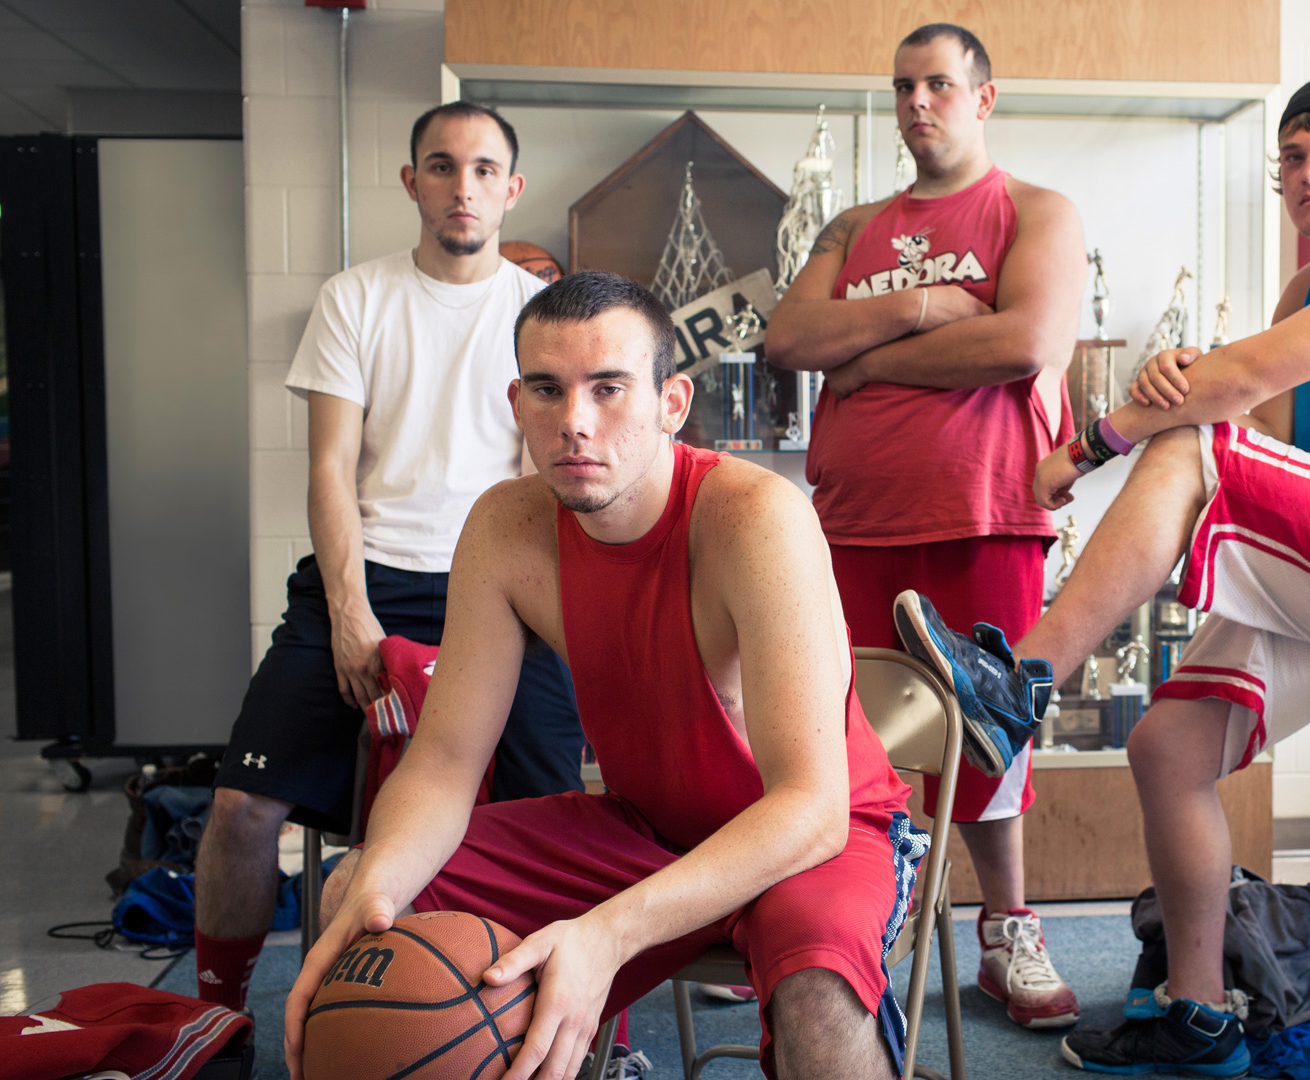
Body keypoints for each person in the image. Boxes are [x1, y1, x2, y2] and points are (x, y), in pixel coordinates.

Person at [894, 73, 1310, 1075]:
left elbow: (1236, 399)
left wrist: (1097, 440)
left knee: (1190, 444)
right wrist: (1182, 380)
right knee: (1166, 746)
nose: (1308, 172)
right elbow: (1273, 443)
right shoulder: (1307, 290)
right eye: (1291, 156)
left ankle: (1017, 684)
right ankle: (1200, 1016)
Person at [285, 272, 925, 1080]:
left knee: (818, 996)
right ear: (517, 405)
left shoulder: (756, 518)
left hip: (815, 841)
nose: (574, 424)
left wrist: (611, 931)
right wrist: (379, 876)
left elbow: (811, 811)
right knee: (359, 894)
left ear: (673, 403)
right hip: (645, 828)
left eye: (609, 389)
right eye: (548, 391)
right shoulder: (505, 528)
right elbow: (446, 760)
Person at [193, 102, 586, 1011]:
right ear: (413, 182)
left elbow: (548, 479)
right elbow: (330, 468)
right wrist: (347, 608)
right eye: (443, 167)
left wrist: (551, 615)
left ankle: (581, 1026)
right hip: (369, 578)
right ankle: (213, 1017)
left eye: (485, 170)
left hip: (503, 587)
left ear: (511, 190)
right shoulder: (355, 298)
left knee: (555, 821)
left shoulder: (541, 316)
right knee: (240, 808)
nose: (464, 187)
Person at [764, 21, 1087, 1030]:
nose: (918, 104)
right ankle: (848, 919)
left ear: (984, 98)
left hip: (987, 514)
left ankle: (1007, 931)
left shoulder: (1037, 210)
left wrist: (859, 362)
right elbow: (788, 336)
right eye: (904, 87)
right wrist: (918, 308)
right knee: (849, 732)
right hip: (854, 522)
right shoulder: (850, 224)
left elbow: (1025, 342)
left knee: (987, 731)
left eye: (939, 85)